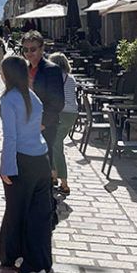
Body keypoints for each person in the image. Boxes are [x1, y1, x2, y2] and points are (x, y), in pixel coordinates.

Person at [0, 55, 53, 273]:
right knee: (39, 213)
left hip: (21, 161)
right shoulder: (32, 96)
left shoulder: (9, 100)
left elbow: (10, 137)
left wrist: (6, 167)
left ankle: (15, 257)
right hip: (41, 159)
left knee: (16, 211)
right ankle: (40, 263)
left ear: (6, 75)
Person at [22, 31, 65, 173]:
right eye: (26, 49)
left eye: (33, 49)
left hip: (44, 125)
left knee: (43, 165)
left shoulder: (51, 70)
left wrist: (42, 124)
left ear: (42, 48)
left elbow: (57, 102)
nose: (29, 53)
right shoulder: (25, 69)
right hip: (27, 123)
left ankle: (47, 186)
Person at [48, 53, 78, 195]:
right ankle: (53, 175)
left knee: (56, 147)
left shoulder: (53, 78)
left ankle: (64, 183)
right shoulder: (70, 78)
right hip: (71, 115)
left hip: (60, 113)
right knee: (54, 144)